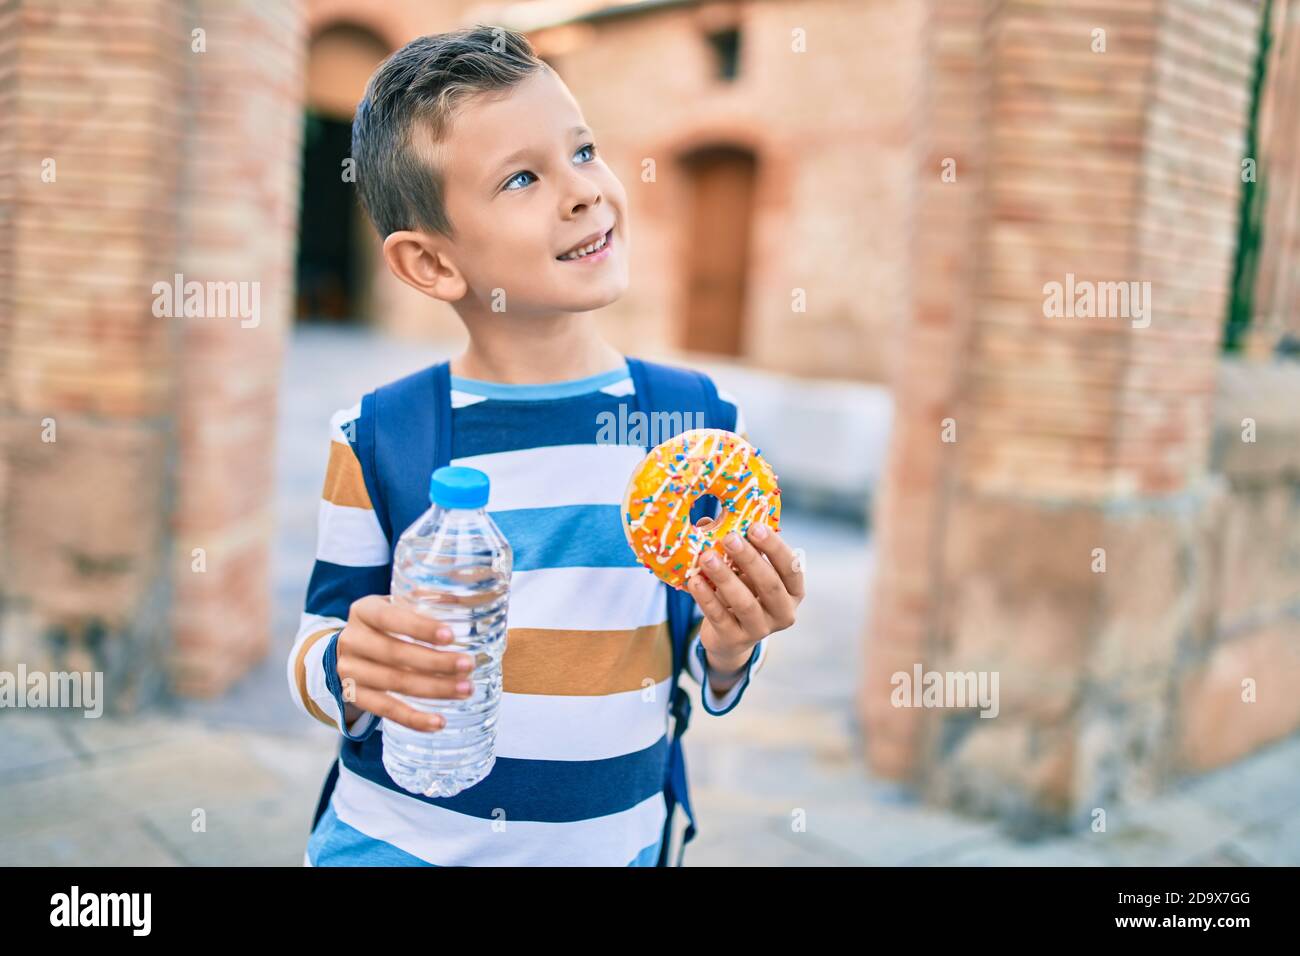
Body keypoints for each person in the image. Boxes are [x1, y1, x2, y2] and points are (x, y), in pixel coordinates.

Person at [286, 24, 804, 866]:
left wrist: (734, 645)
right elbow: (317, 647)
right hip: (400, 848)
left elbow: (704, 669)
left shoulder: (696, 426)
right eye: (523, 176)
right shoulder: (379, 435)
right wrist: (349, 662)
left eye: (585, 150)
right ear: (430, 263)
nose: (583, 192)